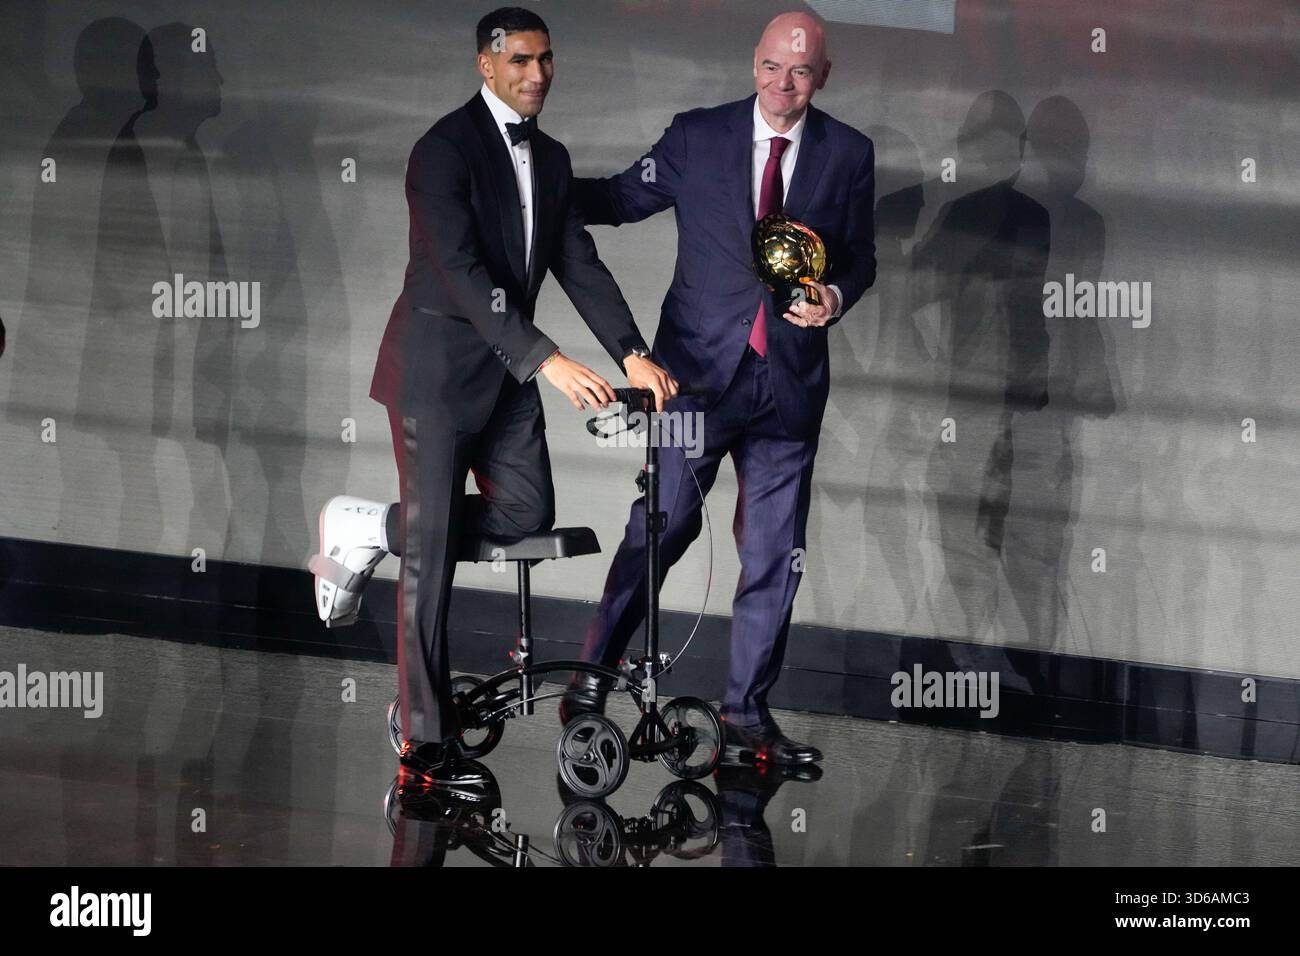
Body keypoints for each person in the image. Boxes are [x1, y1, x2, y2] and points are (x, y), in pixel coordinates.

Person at [310, 6, 676, 788]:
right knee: (434, 556)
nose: (536, 75)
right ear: (486, 64)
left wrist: (634, 353)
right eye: (519, 61)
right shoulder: (441, 151)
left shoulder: (550, 157)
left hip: (506, 377)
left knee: (525, 517)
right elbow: (460, 271)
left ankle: (368, 524)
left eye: (546, 60)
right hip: (437, 374)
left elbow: (577, 262)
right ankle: (423, 737)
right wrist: (547, 359)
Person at [559, 11, 876, 767]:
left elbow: (859, 257)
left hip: (789, 389)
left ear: (822, 76)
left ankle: (745, 719)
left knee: (774, 554)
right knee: (662, 527)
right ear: (753, 64)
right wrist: (528, 185)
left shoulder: (849, 152)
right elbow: (614, 200)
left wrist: (834, 297)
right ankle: (590, 678)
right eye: (771, 67)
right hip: (692, 383)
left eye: (800, 72)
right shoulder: (698, 137)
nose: (782, 84)